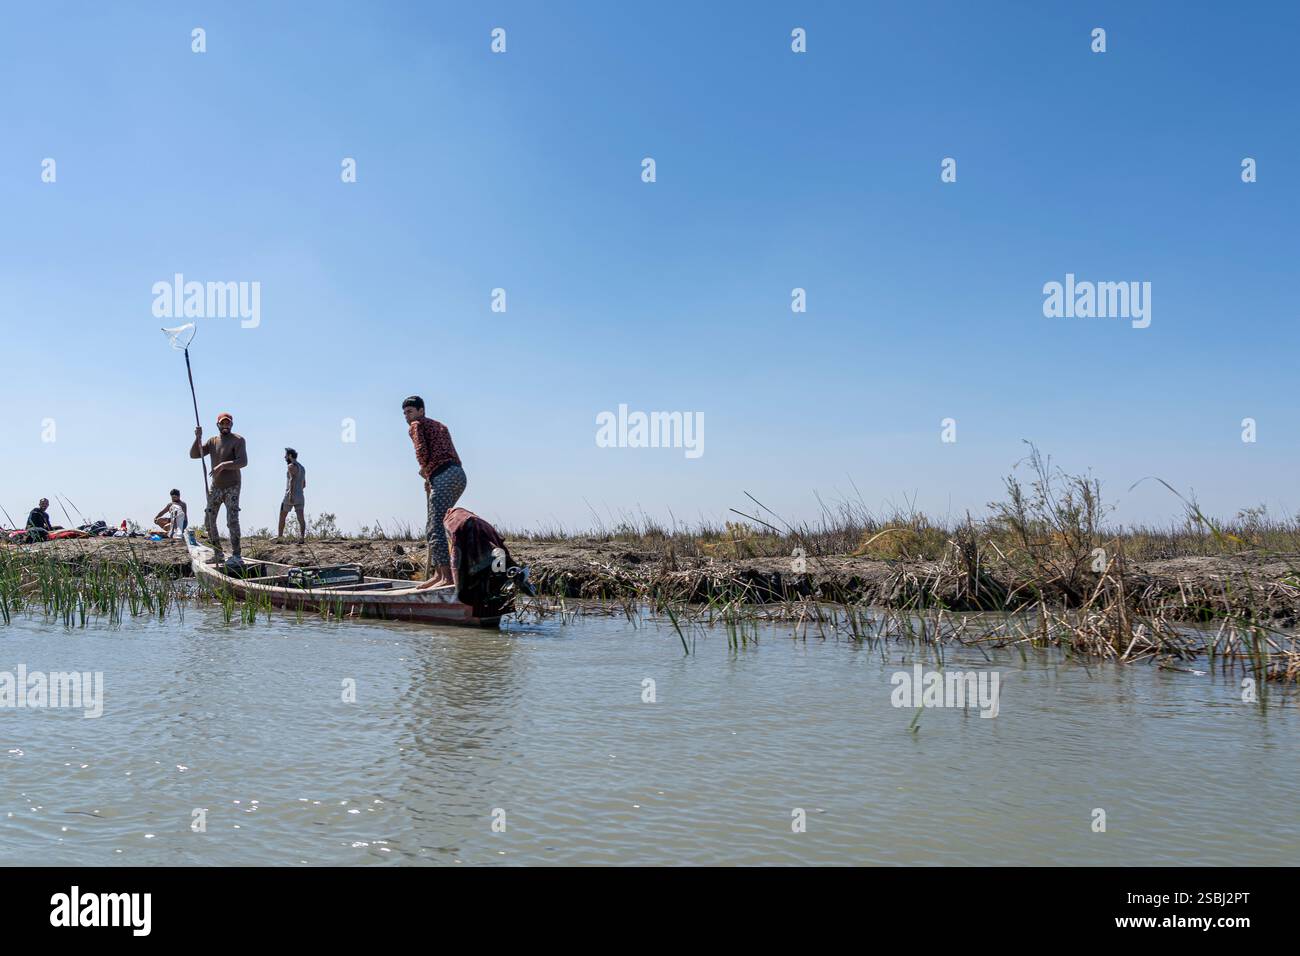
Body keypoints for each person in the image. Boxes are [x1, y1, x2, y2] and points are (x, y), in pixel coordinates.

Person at [402, 395, 466, 589]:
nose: (407, 416)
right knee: (435, 525)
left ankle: (446, 577)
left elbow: (421, 451)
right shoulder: (440, 426)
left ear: (421, 411)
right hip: (457, 474)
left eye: (410, 412)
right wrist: (431, 476)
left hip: (444, 474)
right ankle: (440, 574)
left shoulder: (416, 425)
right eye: (404, 413)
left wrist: (428, 474)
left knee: (435, 527)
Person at [189, 412, 248, 563]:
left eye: (228, 423)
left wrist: (222, 465)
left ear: (231, 424)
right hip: (216, 486)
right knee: (209, 519)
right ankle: (218, 553)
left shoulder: (238, 440)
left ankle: (236, 555)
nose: (225, 425)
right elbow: (195, 454)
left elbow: (243, 462)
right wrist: (198, 437)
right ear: (218, 425)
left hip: (232, 486)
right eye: (223, 423)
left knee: (232, 520)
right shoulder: (213, 441)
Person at [276, 448, 307, 543]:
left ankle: (280, 537)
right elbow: (304, 484)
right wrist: (298, 492)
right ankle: (302, 538)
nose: (284, 457)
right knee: (301, 517)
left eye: (286, 455)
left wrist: (291, 495)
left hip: (290, 494)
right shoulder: (302, 467)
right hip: (300, 495)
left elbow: (292, 480)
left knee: (282, 516)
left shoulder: (291, 466)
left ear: (290, 456)